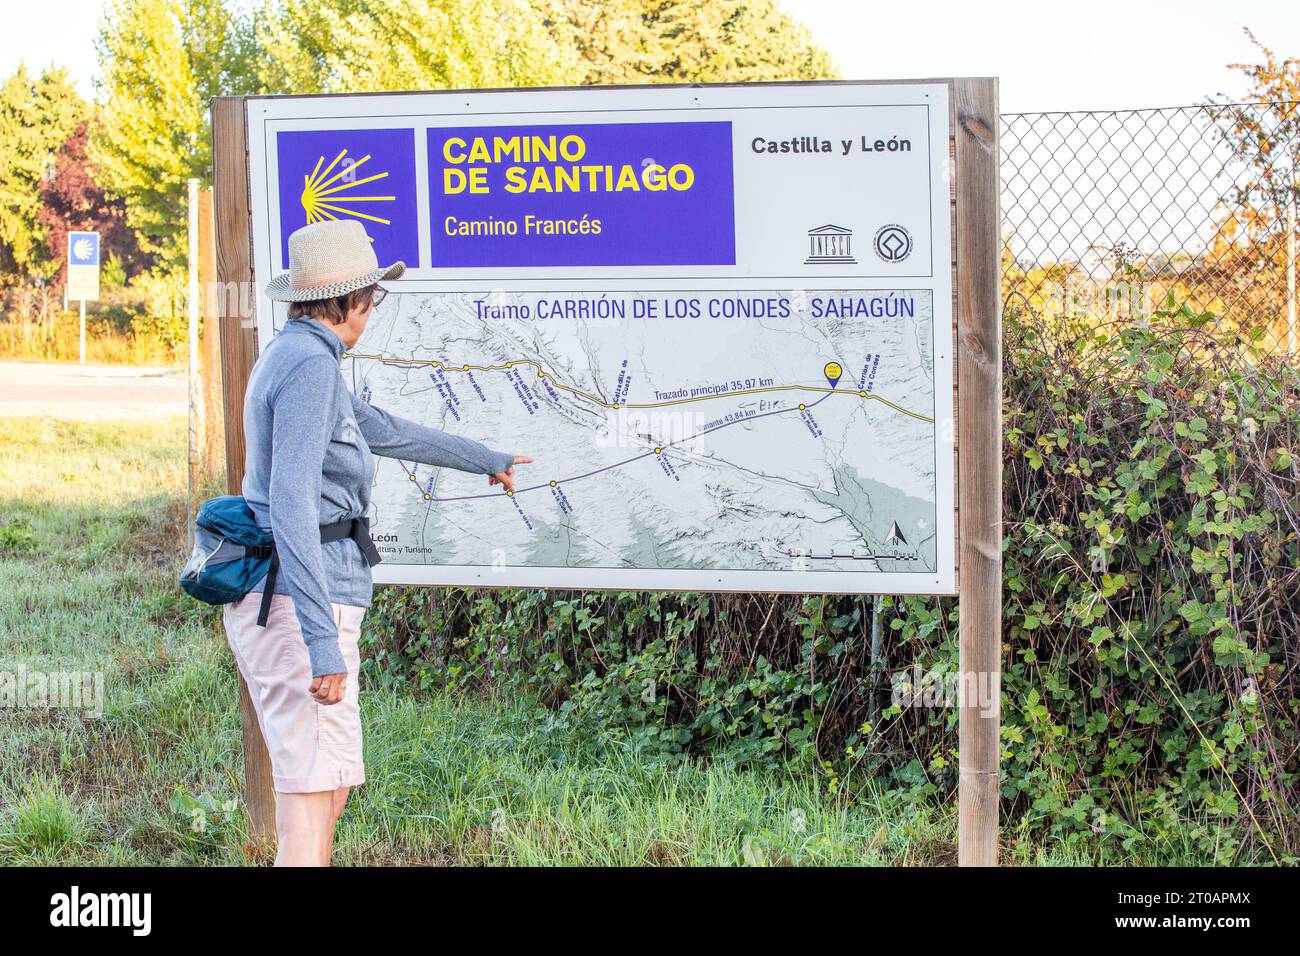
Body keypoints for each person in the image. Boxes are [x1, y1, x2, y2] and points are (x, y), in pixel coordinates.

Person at [222, 218, 533, 866]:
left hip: (304, 600)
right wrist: (319, 645)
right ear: (349, 301)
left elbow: (381, 428)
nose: (374, 310)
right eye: (373, 298)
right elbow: (292, 506)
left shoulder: (306, 358)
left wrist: (486, 457)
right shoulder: (307, 365)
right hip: (296, 606)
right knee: (307, 820)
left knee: (327, 789)